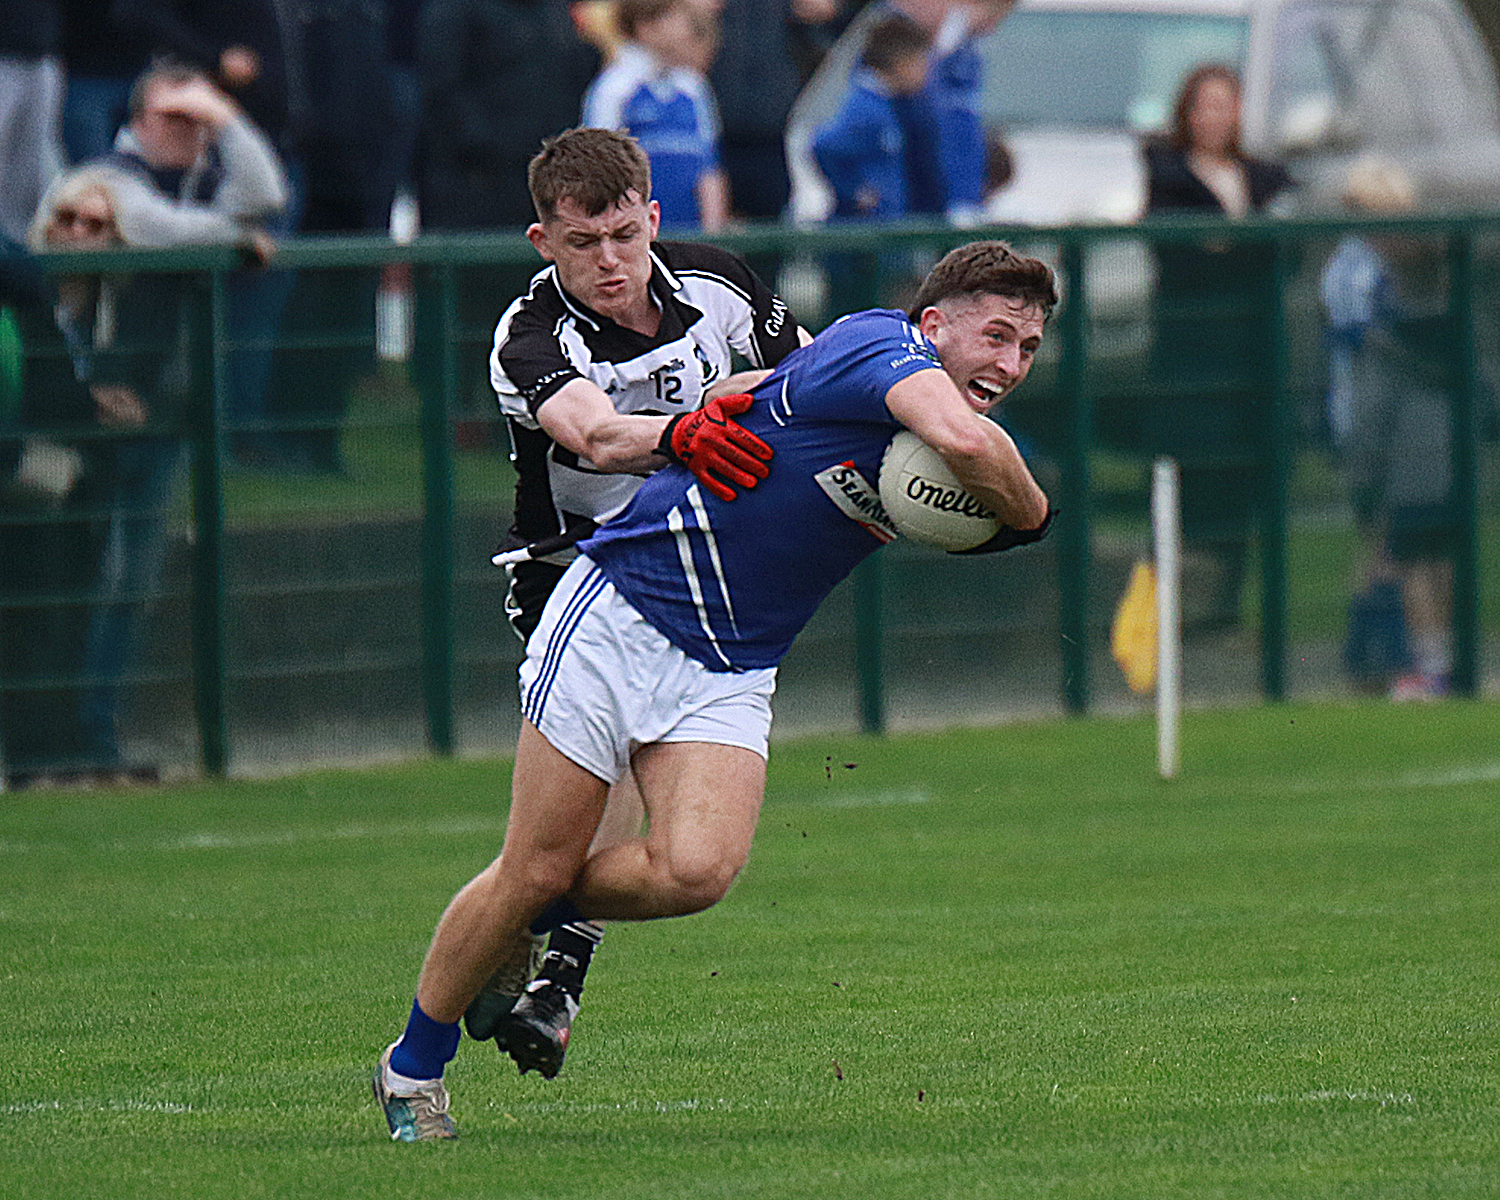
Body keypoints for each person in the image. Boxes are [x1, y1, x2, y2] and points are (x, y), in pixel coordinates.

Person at [373, 238, 1055, 1140]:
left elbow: (765, 390)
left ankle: (524, 919)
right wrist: (1034, 513)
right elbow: (977, 453)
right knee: (532, 864)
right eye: (996, 336)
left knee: (696, 872)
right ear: (933, 325)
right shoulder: (880, 344)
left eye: (1028, 348)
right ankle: (412, 1070)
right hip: (623, 612)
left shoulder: (912, 426)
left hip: (732, 662)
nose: (1010, 364)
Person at [470, 125, 810, 1072]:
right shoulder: (530, 335)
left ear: (654, 217)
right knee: (605, 765)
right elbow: (596, 435)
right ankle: (544, 957)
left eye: (625, 234)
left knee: (660, 824)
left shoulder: (720, 285)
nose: (611, 261)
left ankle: (532, 934)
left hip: (702, 566)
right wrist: (689, 431)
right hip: (570, 570)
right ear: (543, 241)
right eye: (583, 243)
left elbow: (809, 377)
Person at [1141, 63, 1292, 632]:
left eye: (1225, 105)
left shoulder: (1263, 177)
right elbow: (1185, 253)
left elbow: (1277, 253)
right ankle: (1172, 609)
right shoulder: (1168, 175)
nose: (1214, 117)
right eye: (1203, 105)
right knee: (1189, 473)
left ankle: (1225, 606)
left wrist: (1230, 247)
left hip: (1251, 356)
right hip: (1191, 356)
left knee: (1242, 480)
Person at [1323, 157, 1460, 700]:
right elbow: (1363, 352)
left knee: (1421, 541)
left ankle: (1417, 658)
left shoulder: (1419, 267)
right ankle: (1395, 658)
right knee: (1391, 543)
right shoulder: (1355, 270)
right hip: (1373, 421)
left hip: (1416, 423)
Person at [582, 0, 730, 231]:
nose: (685, 28)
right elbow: (597, 167)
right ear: (646, 26)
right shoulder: (615, 87)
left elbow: (709, 166)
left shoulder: (693, 86)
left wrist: (713, 232)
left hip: (690, 229)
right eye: (674, 18)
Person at [812, 13, 932, 221]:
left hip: (887, 223)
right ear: (901, 64)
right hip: (865, 228)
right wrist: (855, 191)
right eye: (921, 62)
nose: (926, 72)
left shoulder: (888, 105)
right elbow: (824, 145)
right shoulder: (866, 109)